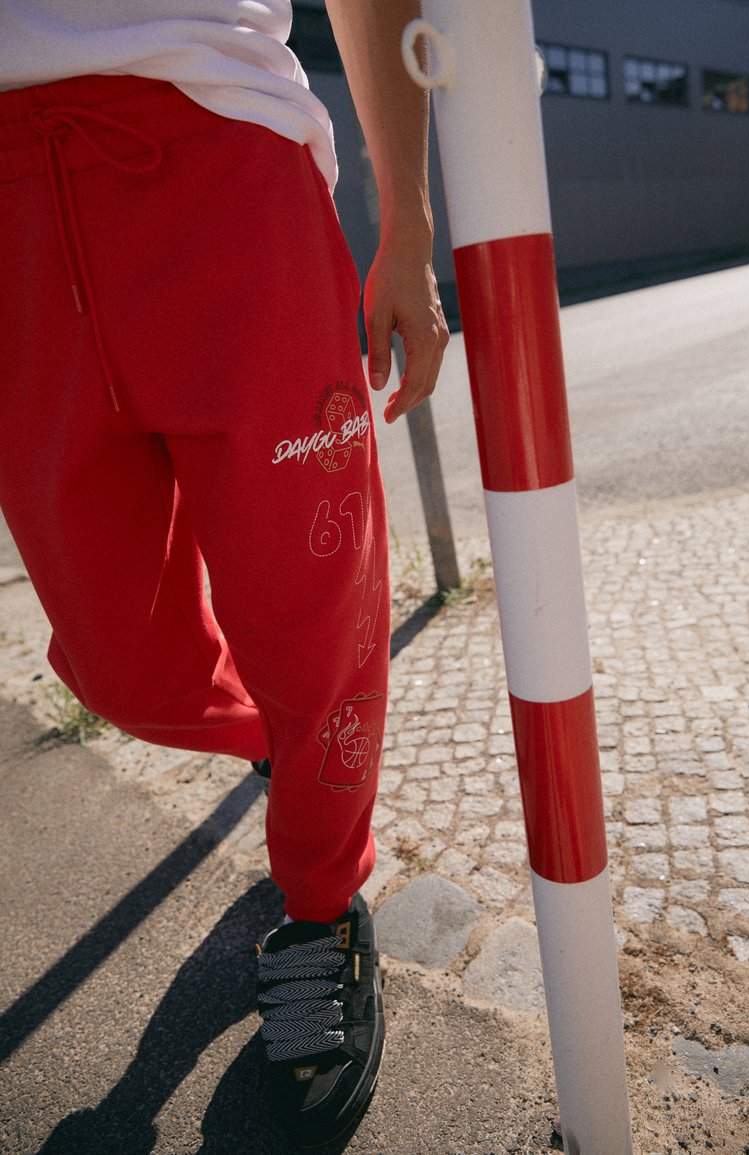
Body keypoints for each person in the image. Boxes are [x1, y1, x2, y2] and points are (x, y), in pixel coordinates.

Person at [0, 0, 448, 1145]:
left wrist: (408, 230)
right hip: (10, 220)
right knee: (119, 667)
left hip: (222, 158)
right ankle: (285, 739)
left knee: (314, 610)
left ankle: (320, 906)